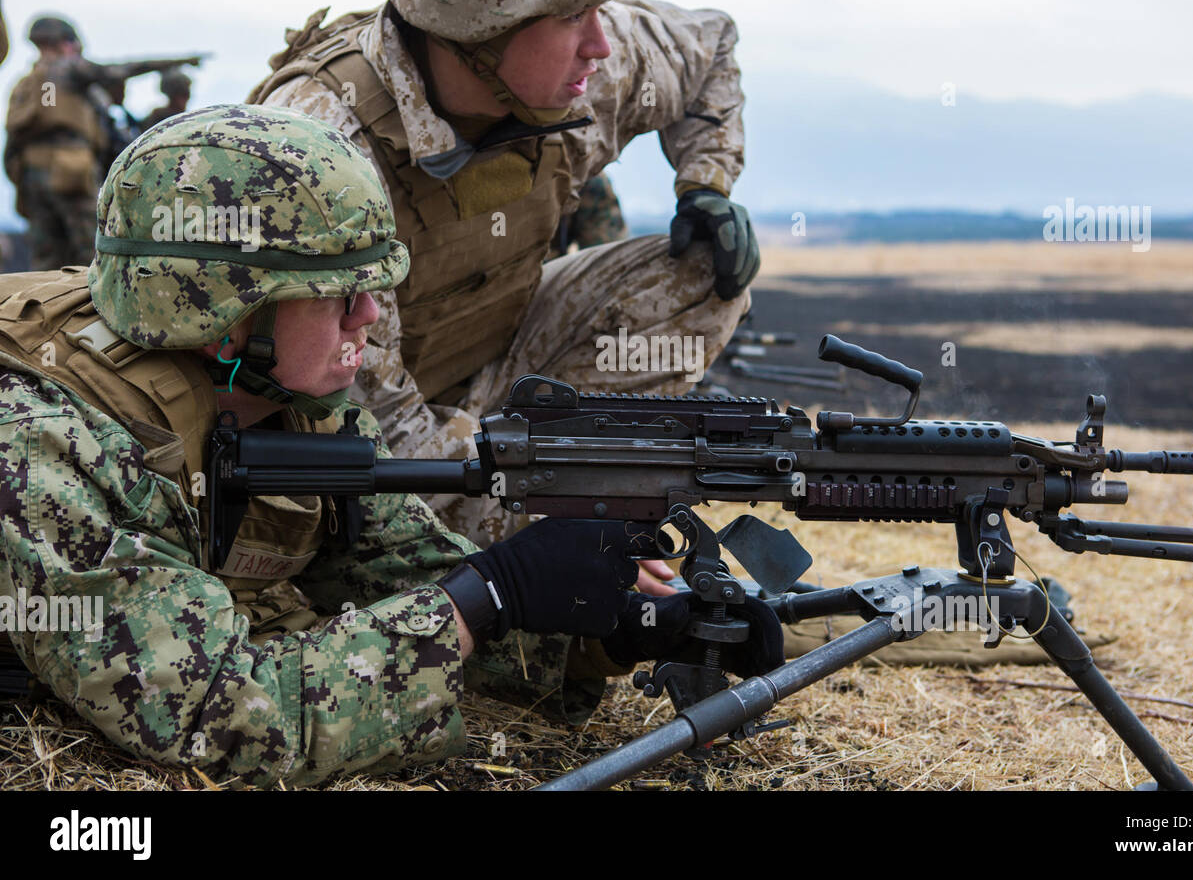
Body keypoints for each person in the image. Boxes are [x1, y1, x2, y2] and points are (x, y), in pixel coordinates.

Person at [0, 104, 785, 787]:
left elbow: (409, 586)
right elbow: (221, 722)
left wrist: (615, 628)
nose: (371, 314)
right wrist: (488, 595)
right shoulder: (40, 440)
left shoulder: (288, 400)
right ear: (225, 304)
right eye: (341, 293)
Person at [250, 0, 760, 568]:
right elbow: (382, 441)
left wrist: (705, 182)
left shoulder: (583, 73)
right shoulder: (324, 151)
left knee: (699, 275)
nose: (600, 45)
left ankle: (575, 487)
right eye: (574, 17)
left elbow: (710, 45)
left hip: (490, 370)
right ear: (481, 29)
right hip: (354, 440)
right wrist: (547, 556)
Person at [3, 15, 203, 269]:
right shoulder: (66, 70)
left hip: (32, 175)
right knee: (92, 252)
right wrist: (175, 62)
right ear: (66, 43)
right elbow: (121, 70)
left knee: (46, 257)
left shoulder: (29, 83)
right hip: (69, 169)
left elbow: (21, 131)